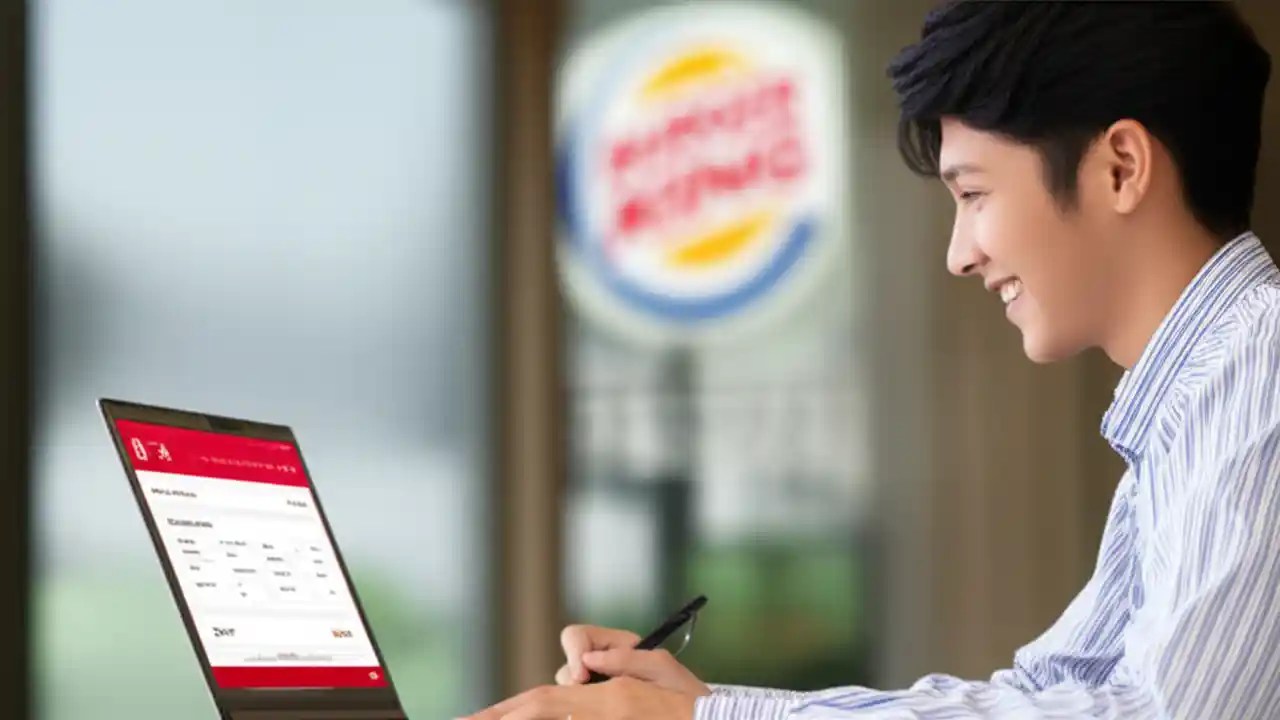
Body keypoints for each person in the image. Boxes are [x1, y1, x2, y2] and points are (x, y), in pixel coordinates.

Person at [462, 2, 1280, 718]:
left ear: (1121, 167)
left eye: (973, 194)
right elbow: (1047, 696)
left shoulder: (1258, 372)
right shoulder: (1196, 400)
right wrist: (702, 707)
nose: (960, 255)